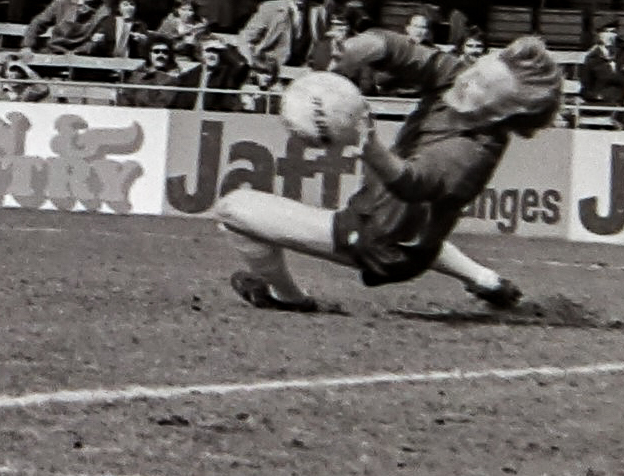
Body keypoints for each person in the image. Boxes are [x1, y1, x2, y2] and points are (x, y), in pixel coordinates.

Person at [215, 30, 560, 312]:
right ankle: (487, 280)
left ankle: (287, 298)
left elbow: (413, 183)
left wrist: (366, 143)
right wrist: (347, 53)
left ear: (502, 113)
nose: (467, 78)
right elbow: (396, 49)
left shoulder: (474, 152)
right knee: (417, 229)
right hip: (410, 233)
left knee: (232, 208)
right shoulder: (457, 79)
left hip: (380, 243)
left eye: (482, 85)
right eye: (477, 68)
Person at [237, 0, 326, 73]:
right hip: (270, 69)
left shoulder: (316, 11)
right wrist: (252, 62)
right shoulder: (270, 8)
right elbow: (245, 38)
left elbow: (322, 42)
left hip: (301, 69)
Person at [23, 0, 109, 55]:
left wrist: (76, 53)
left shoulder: (103, 10)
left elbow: (96, 41)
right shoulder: (62, 0)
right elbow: (39, 22)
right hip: (55, 49)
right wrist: (27, 45)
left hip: (82, 54)